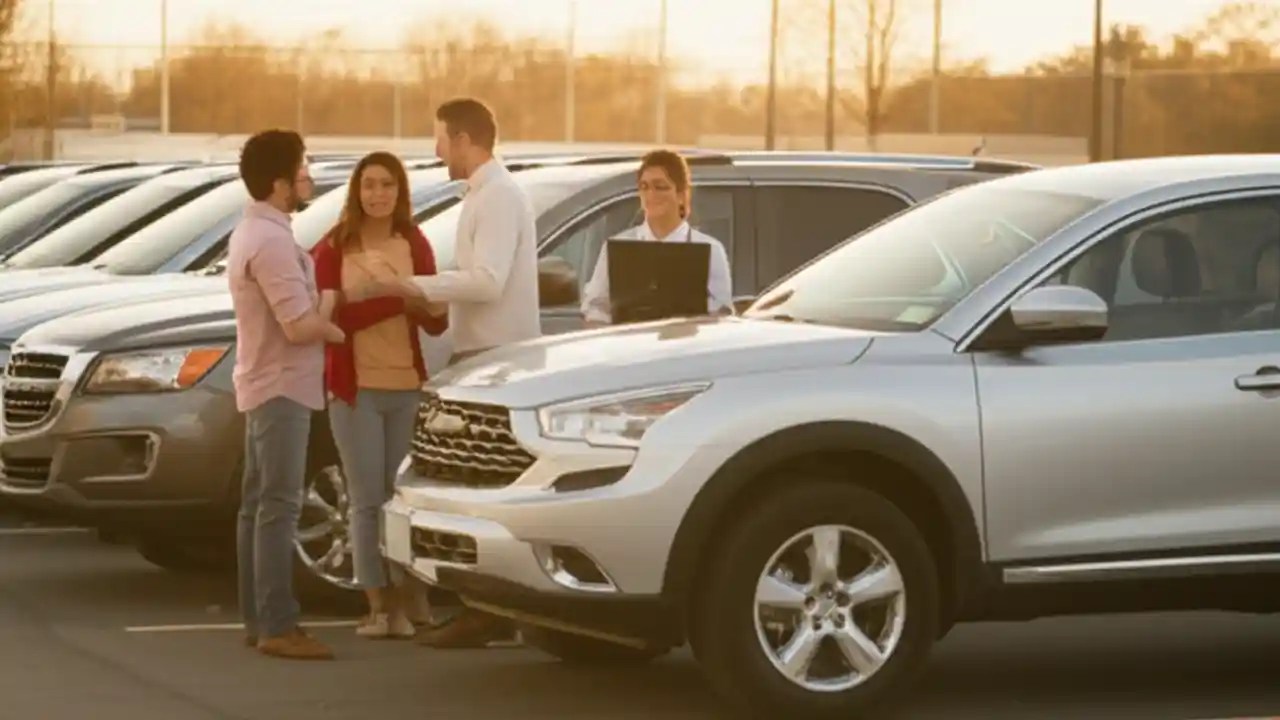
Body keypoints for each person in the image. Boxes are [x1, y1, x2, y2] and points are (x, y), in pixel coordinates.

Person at [385, 97, 540, 649]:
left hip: (496, 360)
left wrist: (417, 287)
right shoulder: (486, 194)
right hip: (480, 357)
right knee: (471, 485)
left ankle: (490, 613)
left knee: (482, 491)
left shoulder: (498, 196)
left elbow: (488, 280)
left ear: (463, 139)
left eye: (440, 139)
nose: (436, 150)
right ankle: (484, 610)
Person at [310, 151, 448, 640]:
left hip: (406, 387)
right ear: (356, 190)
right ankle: (377, 607)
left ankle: (412, 598)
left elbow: (436, 319)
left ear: (399, 191)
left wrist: (386, 297)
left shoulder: (414, 241)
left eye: (387, 185)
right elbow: (329, 320)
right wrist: (396, 297)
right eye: (368, 184)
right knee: (367, 500)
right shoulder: (333, 247)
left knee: (403, 501)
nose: (377, 194)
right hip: (356, 391)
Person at [227, 129, 344, 661]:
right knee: (277, 506)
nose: (309, 177)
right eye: (302, 169)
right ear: (279, 183)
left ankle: (261, 620)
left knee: (258, 507)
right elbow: (297, 326)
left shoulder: (259, 231)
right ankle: (277, 624)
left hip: (267, 382)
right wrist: (334, 320)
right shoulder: (270, 241)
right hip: (281, 386)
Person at [580, 149, 733, 325]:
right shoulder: (617, 247)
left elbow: (722, 314)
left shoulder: (711, 249)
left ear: (682, 195)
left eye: (660, 187)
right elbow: (595, 306)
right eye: (644, 187)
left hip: (686, 349)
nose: (651, 195)